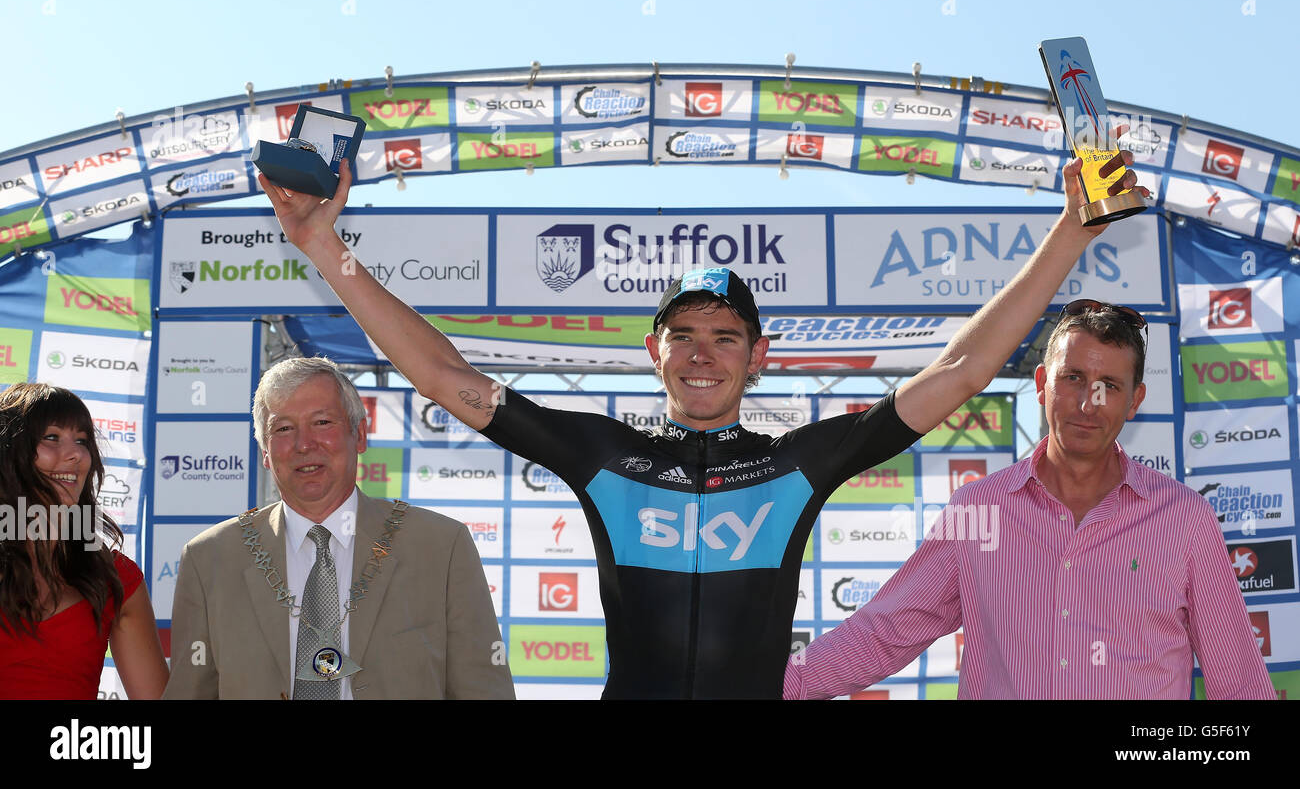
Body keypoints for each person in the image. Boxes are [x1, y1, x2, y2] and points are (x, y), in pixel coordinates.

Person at [259, 153, 1143, 698]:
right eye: (683, 337)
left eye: (725, 338)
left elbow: (958, 372)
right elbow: (449, 377)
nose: (703, 354)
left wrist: (1070, 230)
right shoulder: (604, 454)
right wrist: (320, 247)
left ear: (759, 356)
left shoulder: (796, 464)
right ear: (654, 351)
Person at [784, 299, 1275, 699]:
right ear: (1042, 384)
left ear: (1135, 400)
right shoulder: (978, 512)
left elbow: (1238, 677)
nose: (1088, 404)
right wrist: (759, 688)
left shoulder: (1184, 517)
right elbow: (882, 634)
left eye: (1109, 386)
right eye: (1073, 378)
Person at [163, 356, 514, 699]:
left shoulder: (440, 547)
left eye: (322, 423)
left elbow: (484, 689)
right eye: (283, 429)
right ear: (265, 452)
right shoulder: (209, 559)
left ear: (359, 434)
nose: (304, 444)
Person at [0, 383, 169, 699]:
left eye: (82, 441)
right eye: (52, 438)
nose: (76, 453)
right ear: (10, 453)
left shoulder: (115, 577)